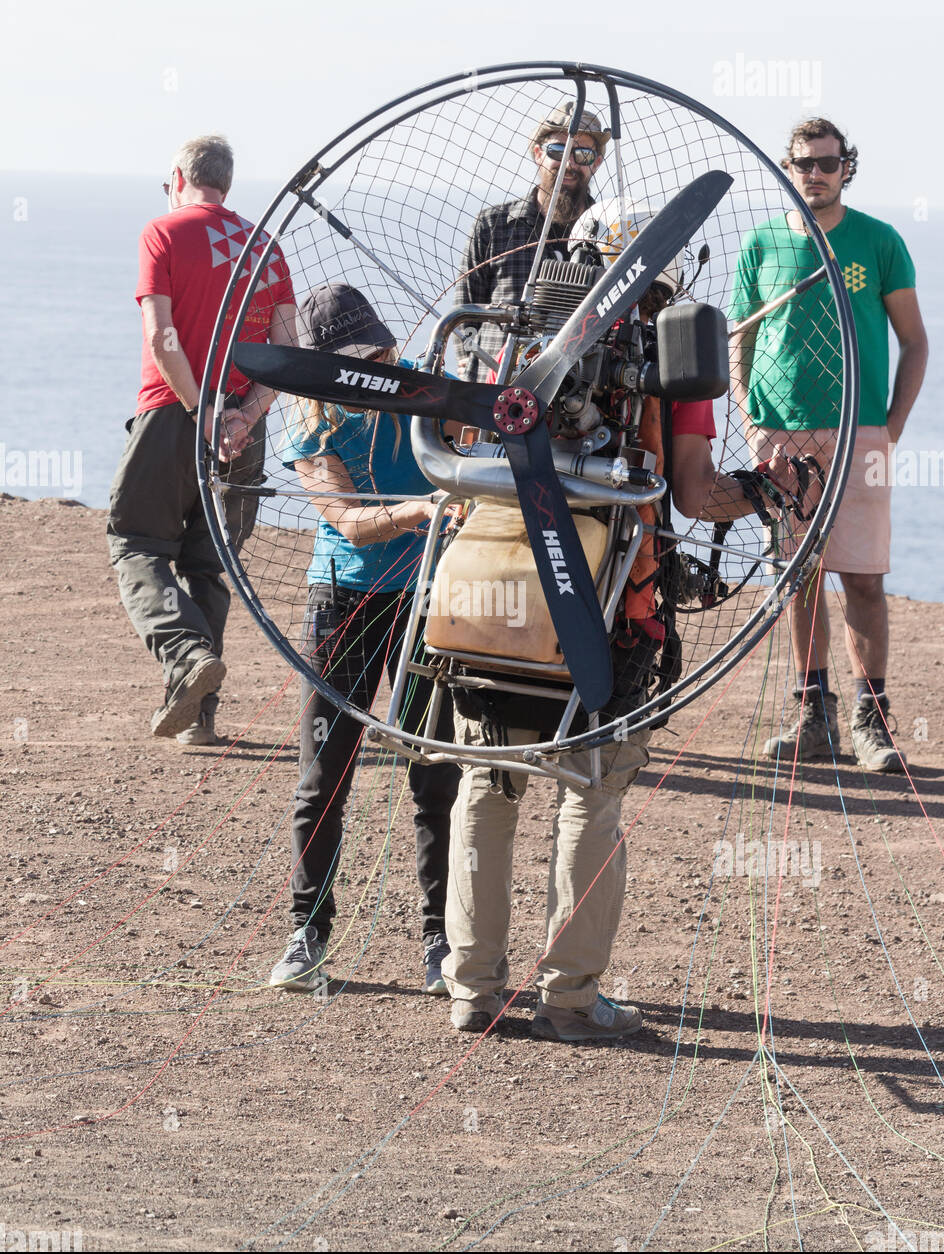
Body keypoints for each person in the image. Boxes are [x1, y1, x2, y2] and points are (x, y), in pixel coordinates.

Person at [442, 271, 811, 1041]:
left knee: (487, 785)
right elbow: (693, 492)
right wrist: (770, 490)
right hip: (607, 617)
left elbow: (457, 452)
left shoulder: (504, 346)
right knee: (590, 793)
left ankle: (473, 991)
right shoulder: (673, 362)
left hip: (488, 605)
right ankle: (570, 999)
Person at [268, 284, 461, 996]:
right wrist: (422, 510)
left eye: (379, 350)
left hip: (427, 602)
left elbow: (479, 449)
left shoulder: (426, 393)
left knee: (434, 770)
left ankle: (441, 940)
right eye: (358, 359)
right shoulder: (310, 429)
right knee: (326, 775)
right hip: (343, 603)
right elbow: (348, 522)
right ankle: (306, 931)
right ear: (323, 370)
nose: (377, 364)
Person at [730, 118, 928, 771]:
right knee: (799, 578)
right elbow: (742, 341)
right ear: (788, 168)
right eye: (804, 163)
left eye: (827, 162)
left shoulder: (879, 241)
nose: (815, 172)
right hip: (782, 435)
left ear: (846, 167)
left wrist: (891, 427)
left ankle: (873, 723)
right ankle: (815, 717)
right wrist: (752, 425)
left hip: (860, 431)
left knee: (864, 578)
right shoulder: (761, 245)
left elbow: (915, 340)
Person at [106, 134, 297, 745]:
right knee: (209, 568)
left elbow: (165, 341)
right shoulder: (266, 246)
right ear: (228, 184)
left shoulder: (162, 233)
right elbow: (288, 353)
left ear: (177, 177)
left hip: (173, 414)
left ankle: (187, 658)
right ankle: (199, 721)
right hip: (247, 430)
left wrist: (203, 410)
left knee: (135, 542)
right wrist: (244, 414)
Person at [455, 99, 608, 382]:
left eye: (583, 155)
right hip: (493, 392)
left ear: (596, 163)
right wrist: (470, 365)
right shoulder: (493, 225)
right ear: (538, 154)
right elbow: (465, 312)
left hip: (574, 397)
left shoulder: (610, 234)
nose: (569, 164)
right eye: (558, 151)